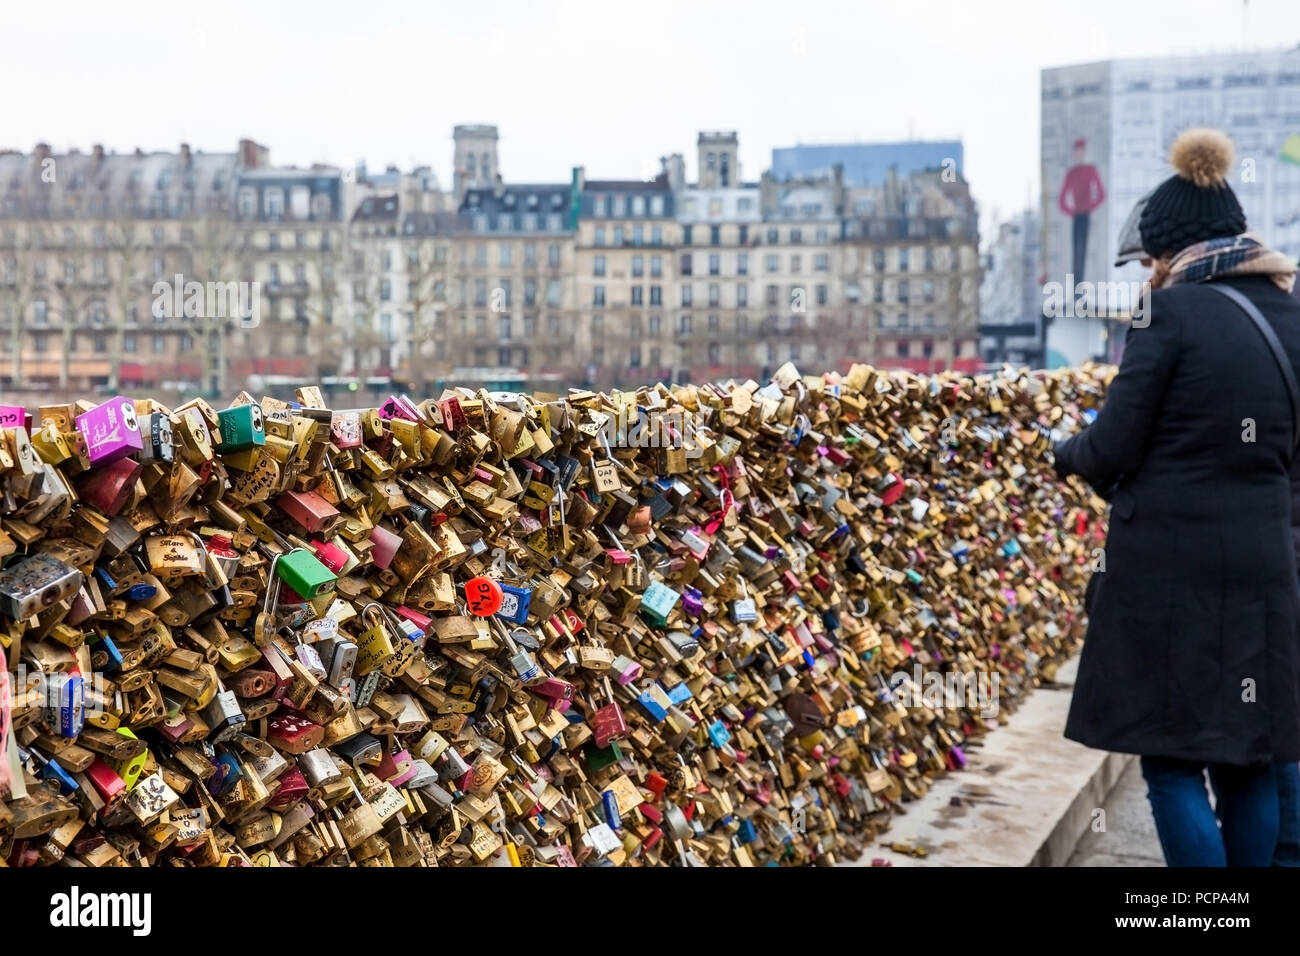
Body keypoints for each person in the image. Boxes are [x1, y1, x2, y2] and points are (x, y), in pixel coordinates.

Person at [1052, 128, 1300, 867]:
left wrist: (1065, 453)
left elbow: (1115, 446)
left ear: (1176, 249)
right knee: (1248, 755)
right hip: (1264, 566)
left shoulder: (1168, 314)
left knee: (1169, 760)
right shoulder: (1291, 314)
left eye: (1154, 257)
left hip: (1170, 576)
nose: (1150, 271)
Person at [1058, 137, 1106, 282]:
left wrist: (1089, 207)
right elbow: (1061, 200)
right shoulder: (1070, 173)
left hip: (1086, 215)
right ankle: (1075, 288)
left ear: (1083, 152)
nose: (1078, 154)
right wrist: (1071, 212)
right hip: (1076, 216)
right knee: (1076, 252)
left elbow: (1101, 194)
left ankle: (1081, 287)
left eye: (1080, 151)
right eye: (1076, 151)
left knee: (1083, 251)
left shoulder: (1091, 170)